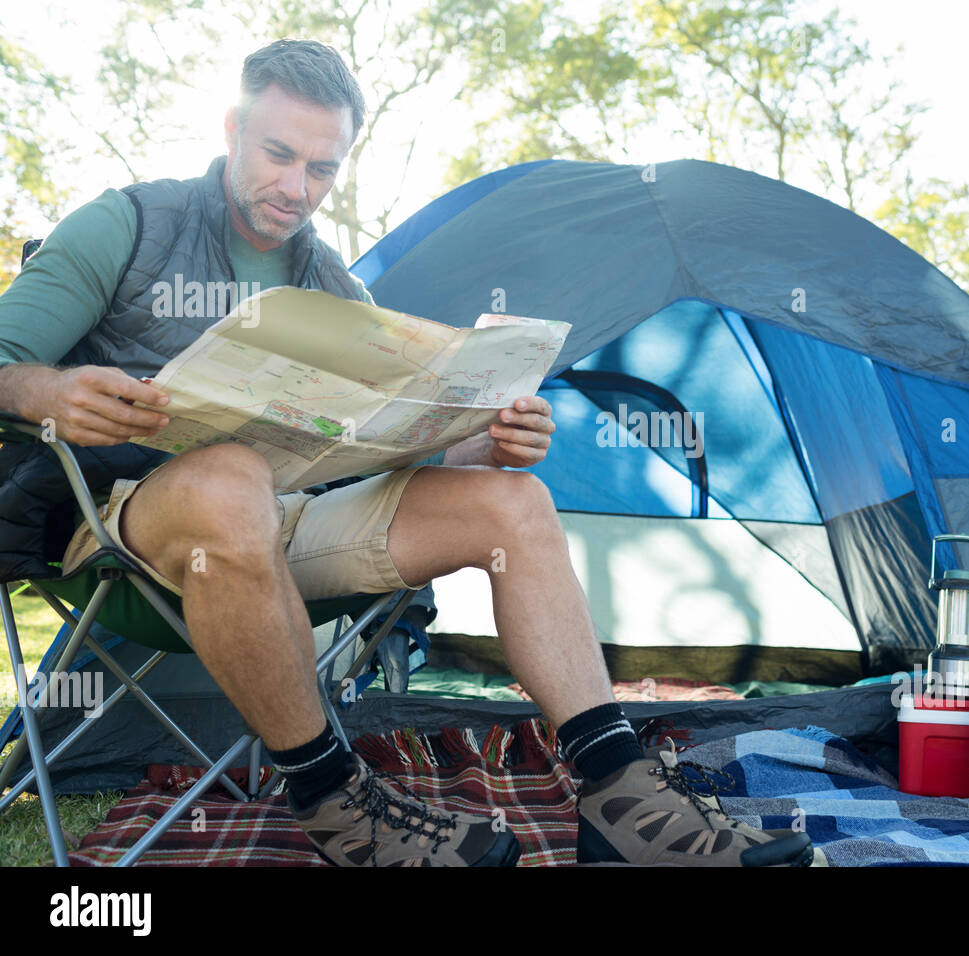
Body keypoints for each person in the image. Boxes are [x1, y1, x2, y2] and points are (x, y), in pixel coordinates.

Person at [0, 39, 812, 868]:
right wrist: (47, 394)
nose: (296, 188)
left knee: (513, 503)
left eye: (323, 168)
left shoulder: (330, 283)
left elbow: (373, 438)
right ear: (233, 127)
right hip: (119, 535)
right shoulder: (128, 224)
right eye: (279, 154)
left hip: (284, 521)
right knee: (231, 478)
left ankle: (622, 801)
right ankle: (335, 797)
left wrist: (483, 442)